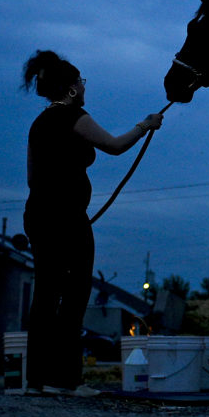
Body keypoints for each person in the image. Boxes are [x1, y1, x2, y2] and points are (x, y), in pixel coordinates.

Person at [19, 49, 164, 397]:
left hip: (39, 215)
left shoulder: (38, 125)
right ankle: (68, 381)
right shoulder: (74, 117)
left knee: (45, 295)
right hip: (68, 219)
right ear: (70, 89)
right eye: (81, 82)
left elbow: (30, 177)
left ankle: (36, 380)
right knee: (74, 296)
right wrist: (146, 126)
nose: (84, 87)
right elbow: (114, 146)